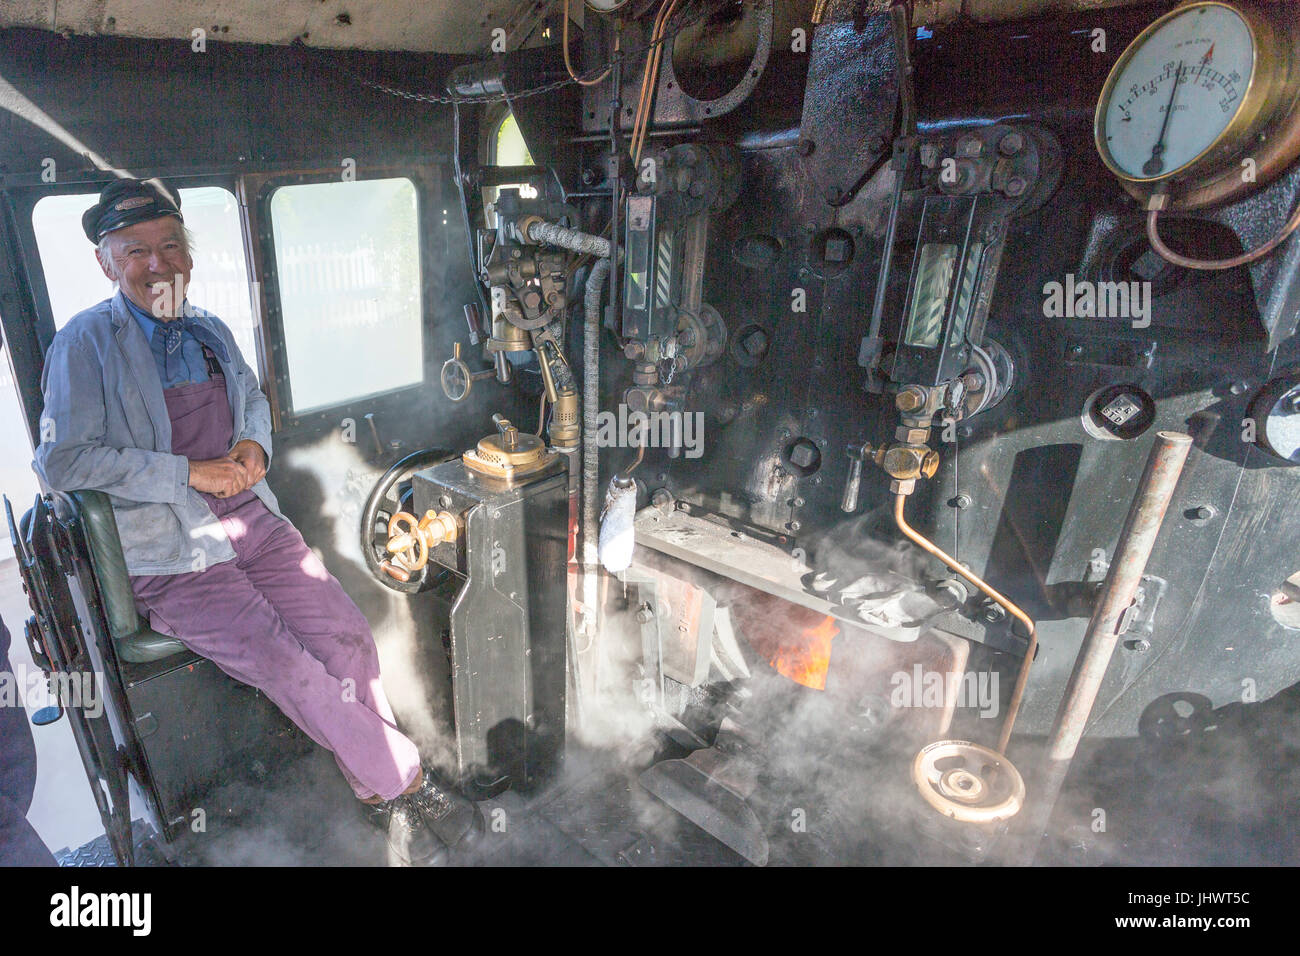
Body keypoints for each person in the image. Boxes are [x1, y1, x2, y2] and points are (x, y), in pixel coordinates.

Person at [33, 177, 479, 865]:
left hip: (249, 519)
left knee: (348, 640)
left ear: (189, 253)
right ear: (106, 262)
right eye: (137, 252)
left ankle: (372, 789)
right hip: (169, 553)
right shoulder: (82, 346)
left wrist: (252, 446)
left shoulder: (208, 329)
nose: (159, 263)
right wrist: (186, 473)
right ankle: (407, 786)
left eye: (171, 246)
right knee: (286, 663)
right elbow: (63, 463)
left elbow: (250, 401)